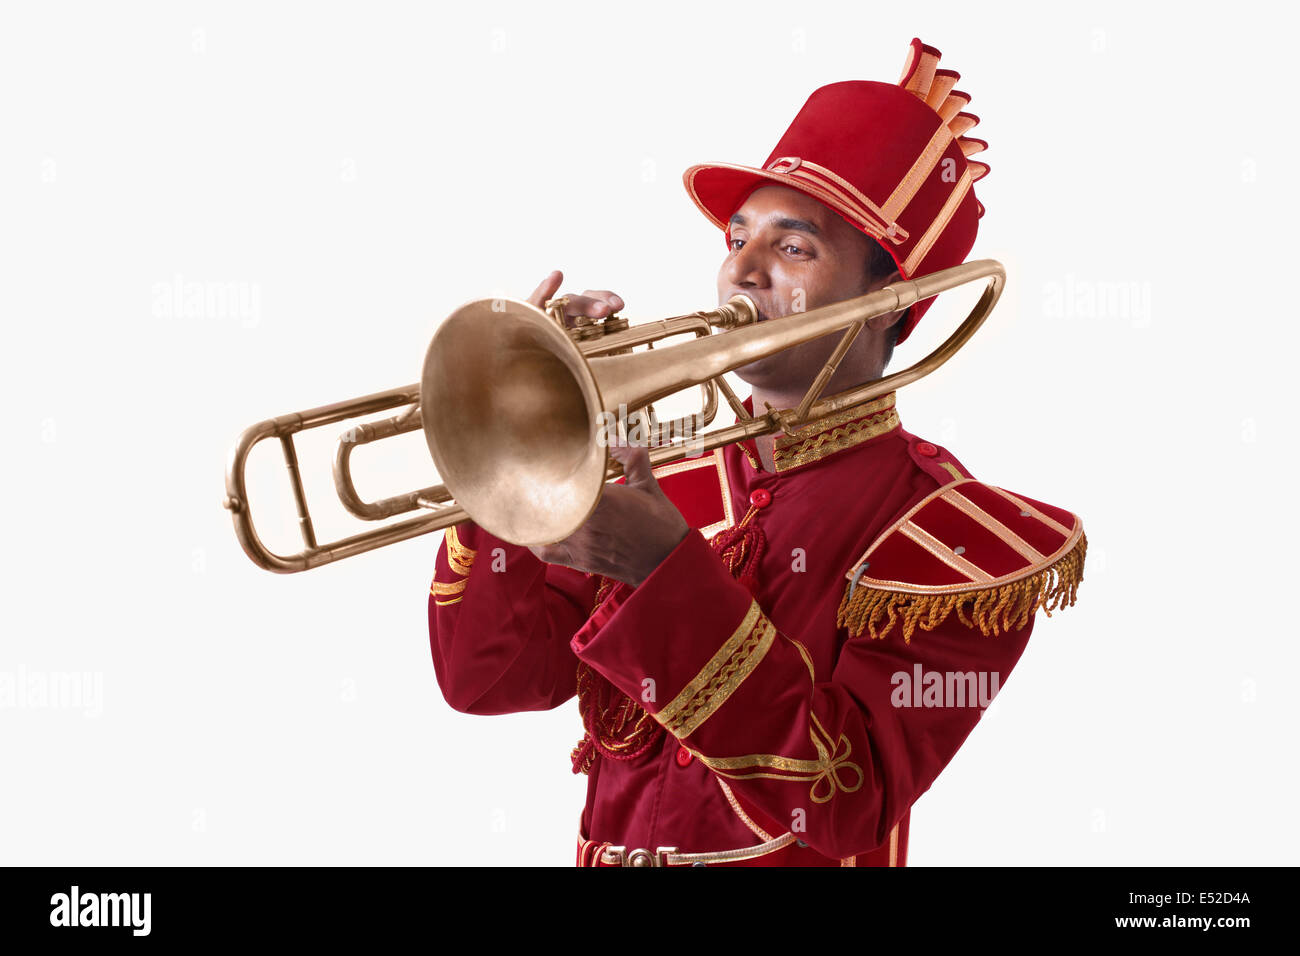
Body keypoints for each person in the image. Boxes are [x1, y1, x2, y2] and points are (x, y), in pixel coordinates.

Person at [428, 37, 1086, 867]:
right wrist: (512, 447)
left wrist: (665, 572)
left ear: (887, 302)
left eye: (793, 246)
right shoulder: (656, 470)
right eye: (737, 236)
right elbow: (488, 679)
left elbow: (844, 797)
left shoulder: (959, 539)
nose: (740, 268)